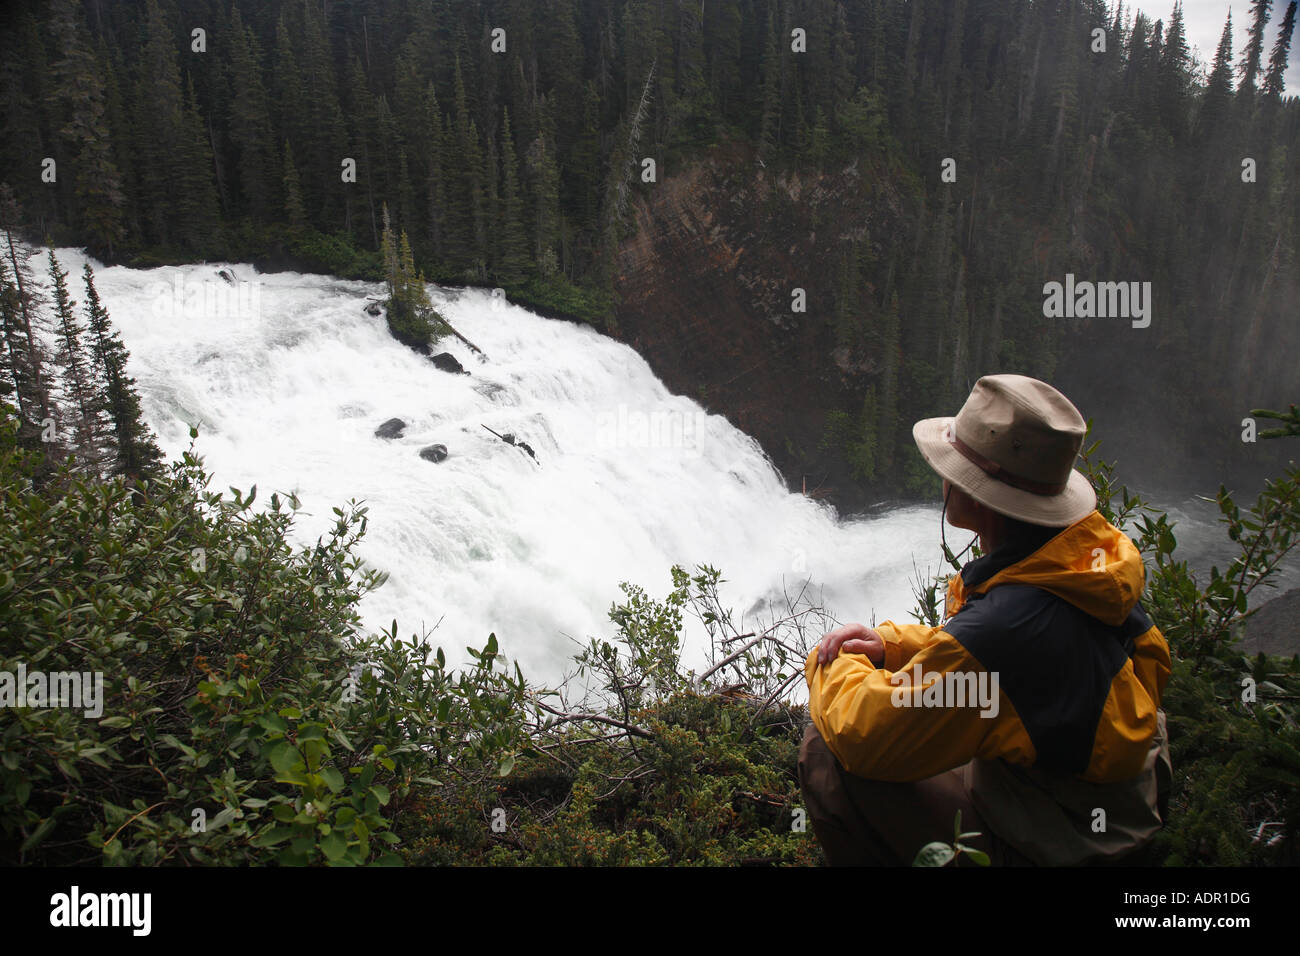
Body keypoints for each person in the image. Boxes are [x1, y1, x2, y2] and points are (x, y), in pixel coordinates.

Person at [799, 374, 1171, 866]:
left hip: (1067, 841)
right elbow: (997, 655)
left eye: (951, 469)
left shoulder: (1008, 627)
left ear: (977, 494)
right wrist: (891, 647)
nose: (944, 478)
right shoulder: (1080, 563)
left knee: (826, 747)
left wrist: (830, 662)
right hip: (1115, 811)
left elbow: (865, 735)